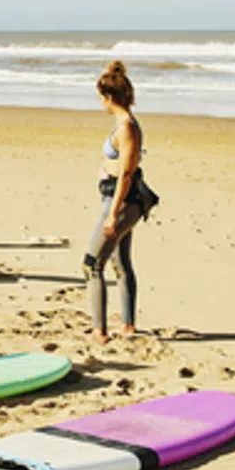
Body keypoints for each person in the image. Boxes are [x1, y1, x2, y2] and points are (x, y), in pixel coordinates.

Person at [85, 60, 158, 343]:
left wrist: (113, 215)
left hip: (122, 202)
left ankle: (99, 331)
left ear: (109, 97)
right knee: (120, 262)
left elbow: (127, 173)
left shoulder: (127, 127)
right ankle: (128, 326)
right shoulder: (124, 124)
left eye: (101, 98)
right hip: (118, 198)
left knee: (92, 264)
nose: (101, 103)